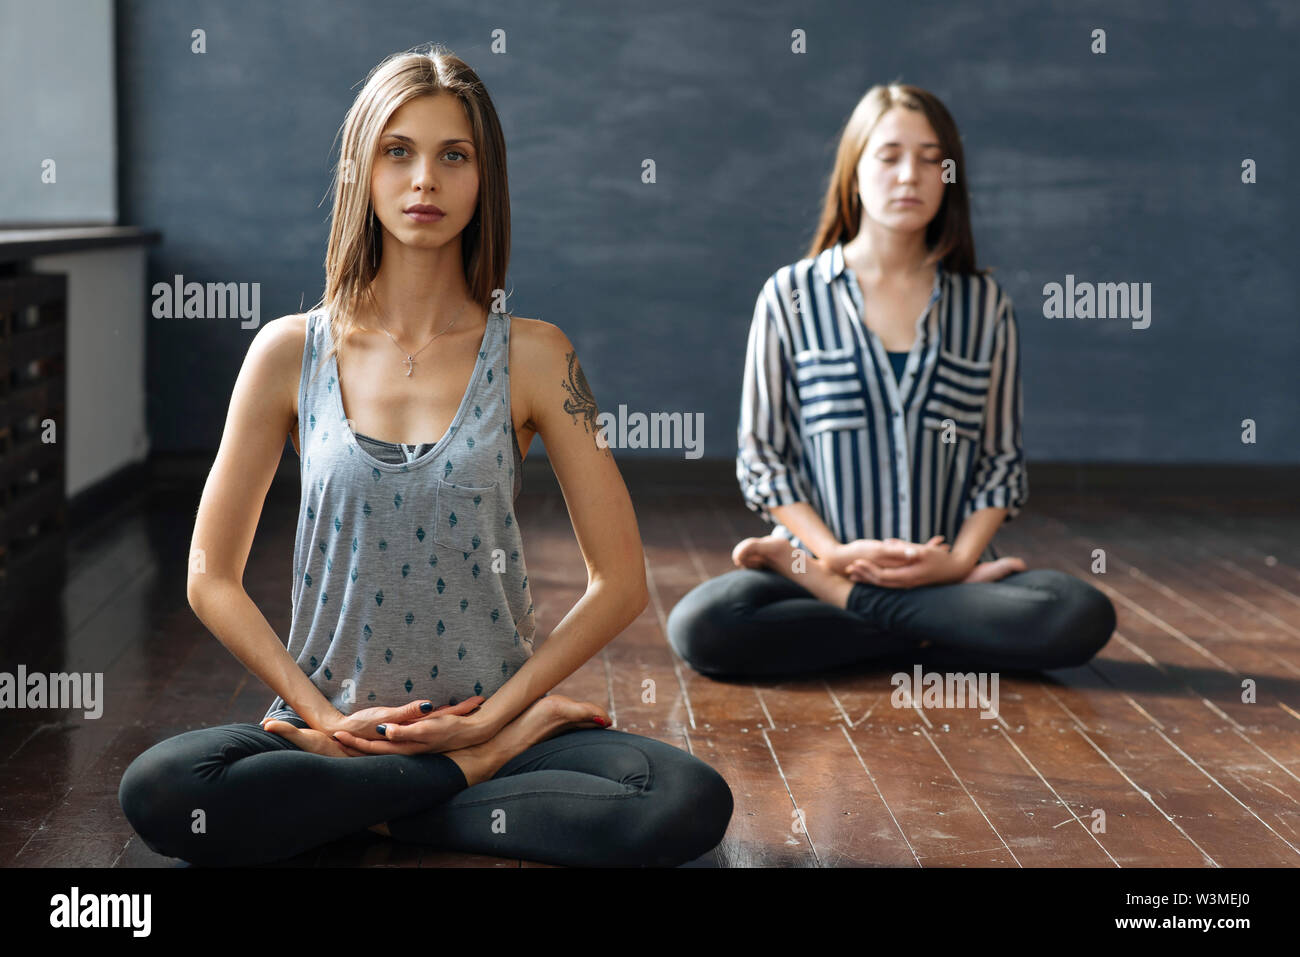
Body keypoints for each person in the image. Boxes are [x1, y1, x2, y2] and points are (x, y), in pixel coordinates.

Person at [118, 44, 732, 868]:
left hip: (501, 725)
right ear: (360, 172)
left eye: (454, 156)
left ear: (485, 181)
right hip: (328, 734)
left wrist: (491, 722)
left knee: (688, 801)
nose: (424, 181)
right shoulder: (285, 353)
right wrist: (320, 718)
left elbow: (621, 581)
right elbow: (207, 574)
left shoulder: (538, 357)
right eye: (397, 152)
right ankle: (454, 783)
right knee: (161, 788)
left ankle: (374, 806)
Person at [667, 83, 1116, 678]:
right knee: (705, 625)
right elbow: (764, 459)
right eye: (890, 156)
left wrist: (957, 564)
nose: (911, 175)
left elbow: (1000, 462)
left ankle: (859, 608)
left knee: (1078, 613)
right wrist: (831, 555)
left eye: (932, 159)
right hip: (815, 566)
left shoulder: (984, 306)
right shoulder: (790, 295)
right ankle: (932, 630)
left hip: (953, 575)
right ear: (854, 171)